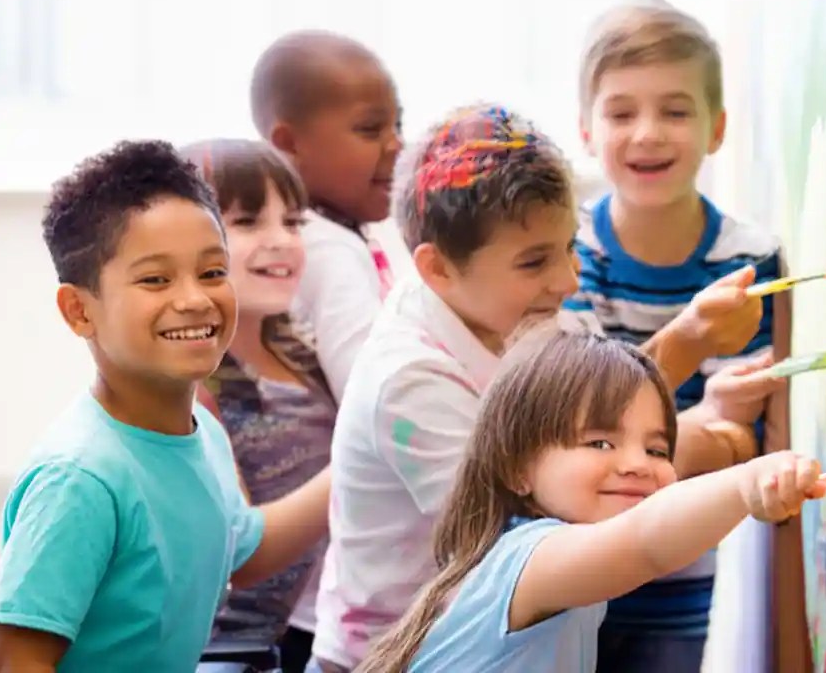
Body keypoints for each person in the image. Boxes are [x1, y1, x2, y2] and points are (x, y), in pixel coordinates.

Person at [310, 104, 766, 672]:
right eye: (534, 262)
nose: (567, 279)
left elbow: (592, 416)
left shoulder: (542, 318)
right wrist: (710, 441)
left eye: (569, 248)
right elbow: (534, 499)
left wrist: (693, 344)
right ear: (438, 269)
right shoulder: (409, 380)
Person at [0, 140, 331, 672]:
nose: (195, 299)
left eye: (213, 272)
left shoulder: (203, 435)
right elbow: (16, 661)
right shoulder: (80, 478)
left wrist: (358, 462)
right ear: (79, 311)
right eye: (156, 279)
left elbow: (244, 547)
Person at [356, 330, 825, 672]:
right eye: (600, 443)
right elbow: (645, 543)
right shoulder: (532, 557)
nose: (638, 465)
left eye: (657, 450)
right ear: (518, 468)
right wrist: (747, 484)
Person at [564, 0, 789, 668]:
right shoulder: (569, 254)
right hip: (573, 574)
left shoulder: (750, 265)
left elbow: (749, 441)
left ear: (716, 128)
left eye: (676, 110)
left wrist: (716, 438)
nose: (647, 134)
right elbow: (578, 424)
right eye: (621, 112)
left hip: (682, 588)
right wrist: (704, 431)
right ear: (585, 130)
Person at [184, 139, 336, 673]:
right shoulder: (198, 383)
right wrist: (358, 465)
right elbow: (242, 557)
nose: (281, 242)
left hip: (292, 638)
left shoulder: (303, 351)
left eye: (292, 223)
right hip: (220, 653)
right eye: (248, 222)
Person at [250, 30, 404, 400]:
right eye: (370, 129)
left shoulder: (330, 232)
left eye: (397, 125)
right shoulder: (326, 249)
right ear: (289, 144)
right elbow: (368, 389)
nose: (396, 144)